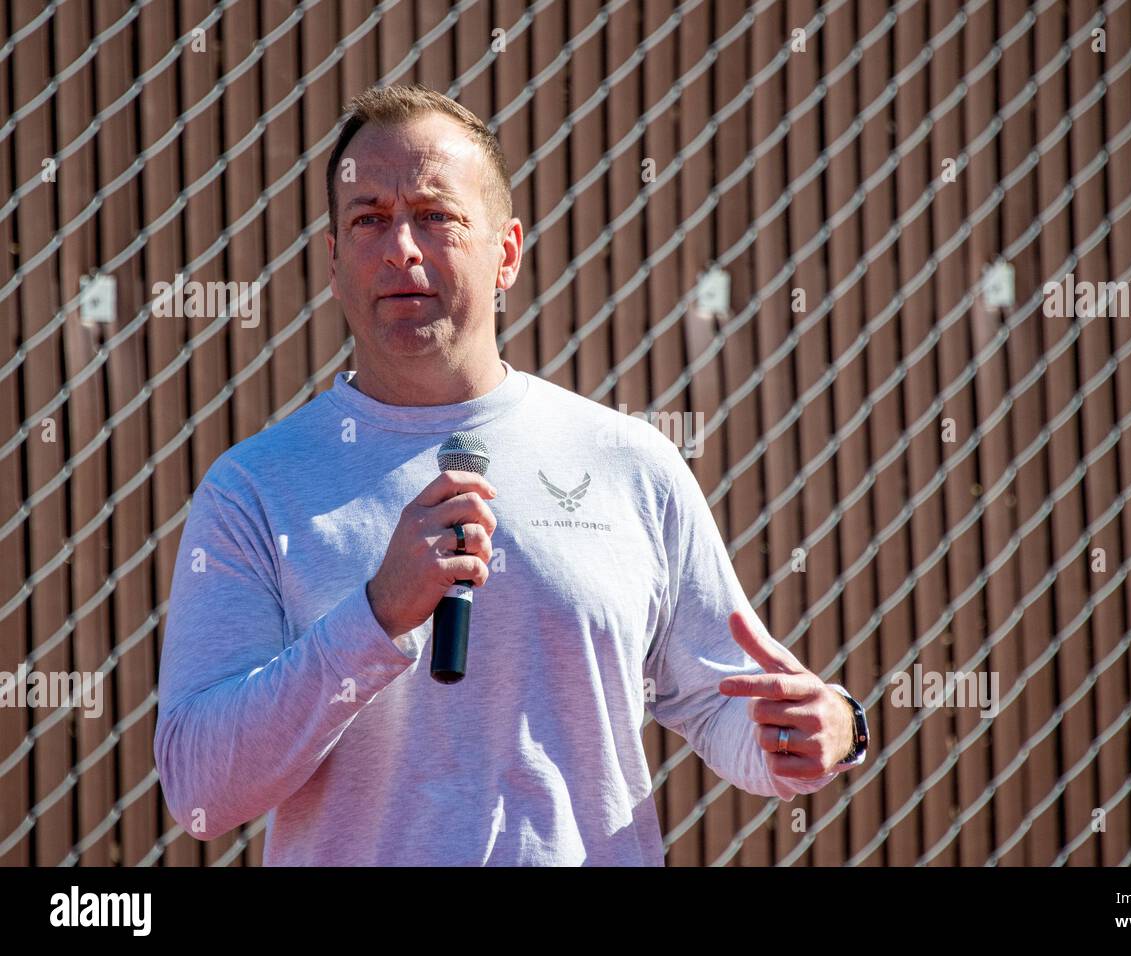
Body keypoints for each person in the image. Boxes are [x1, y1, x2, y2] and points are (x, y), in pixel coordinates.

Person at [153, 84, 869, 866]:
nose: (401, 248)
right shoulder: (254, 490)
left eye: (436, 215)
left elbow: (721, 703)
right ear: (333, 261)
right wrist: (374, 617)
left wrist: (826, 730)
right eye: (369, 219)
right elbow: (200, 791)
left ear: (506, 252)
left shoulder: (629, 461)